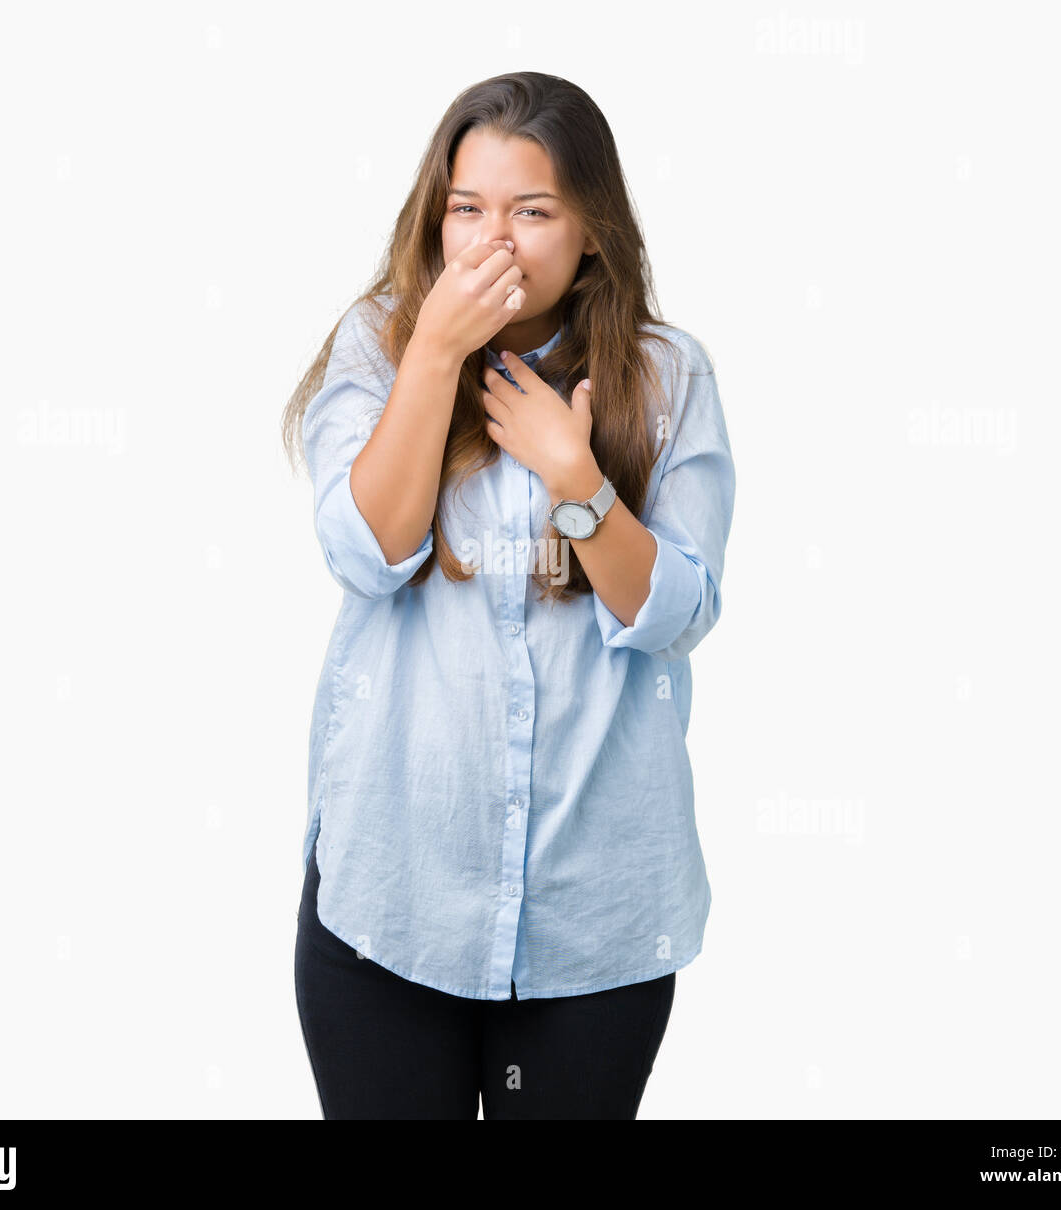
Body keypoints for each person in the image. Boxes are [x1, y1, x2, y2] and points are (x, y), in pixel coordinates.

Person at [281, 71, 736, 1120]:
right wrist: (436, 352)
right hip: (391, 903)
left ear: (591, 231)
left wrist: (578, 484)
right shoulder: (378, 346)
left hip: (592, 927)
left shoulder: (670, 376)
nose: (496, 241)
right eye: (467, 209)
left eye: (532, 212)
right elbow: (363, 550)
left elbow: (678, 612)